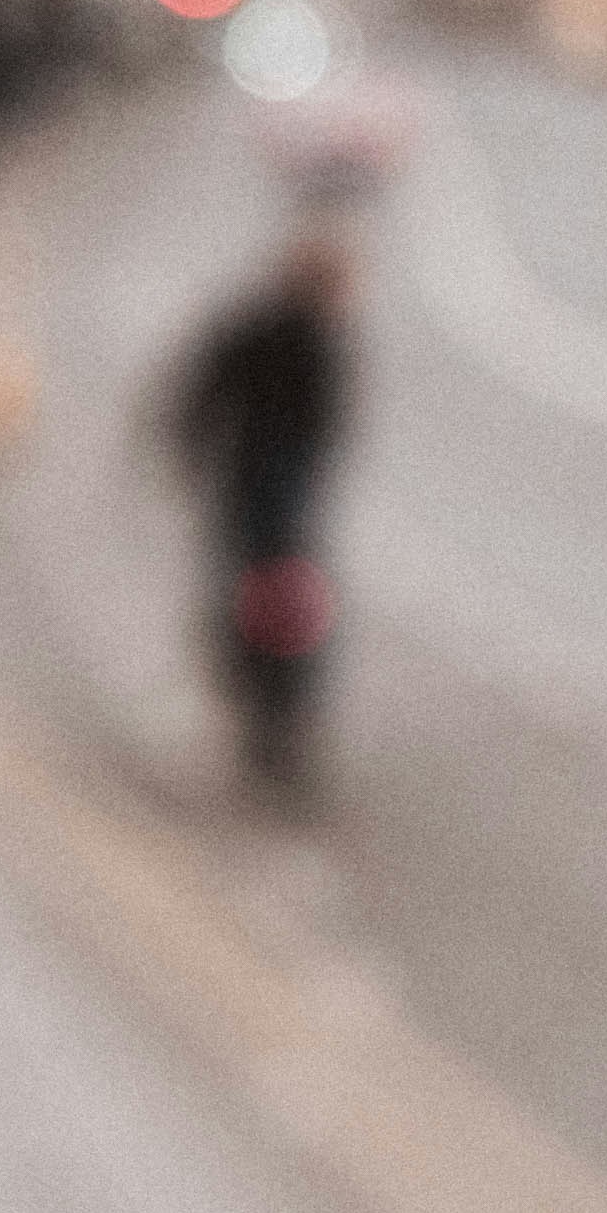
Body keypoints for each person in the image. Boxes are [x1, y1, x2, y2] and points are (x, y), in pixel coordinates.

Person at [161, 220, 355, 798]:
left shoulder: (258, 330)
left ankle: (267, 720)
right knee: (286, 609)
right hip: (272, 496)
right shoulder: (304, 340)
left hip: (252, 490)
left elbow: (202, 393)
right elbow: (325, 426)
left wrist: (188, 446)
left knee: (255, 602)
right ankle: (279, 723)